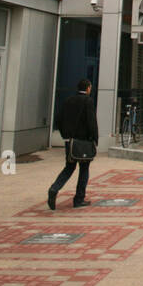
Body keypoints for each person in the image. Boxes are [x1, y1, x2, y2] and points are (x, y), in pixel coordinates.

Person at [49, 79, 98, 210]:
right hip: (84, 142)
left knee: (69, 167)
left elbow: (58, 119)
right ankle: (79, 199)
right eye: (90, 87)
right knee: (84, 169)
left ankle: (54, 188)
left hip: (70, 141)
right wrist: (94, 139)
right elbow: (91, 122)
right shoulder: (88, 101)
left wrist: (65, 135)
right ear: (88, 88)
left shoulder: (68, 100)